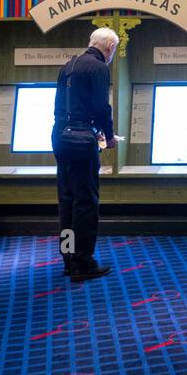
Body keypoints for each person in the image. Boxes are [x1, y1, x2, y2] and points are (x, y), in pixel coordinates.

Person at [53, 27, 121, 282]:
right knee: (86, 202)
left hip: (60, 137)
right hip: (82, 141)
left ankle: (68, 258)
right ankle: (83, 262)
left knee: (67, 200)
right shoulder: (99, 67)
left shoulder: (69, 65)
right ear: (110, 47)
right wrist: (109, 136)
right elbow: (102, 107)